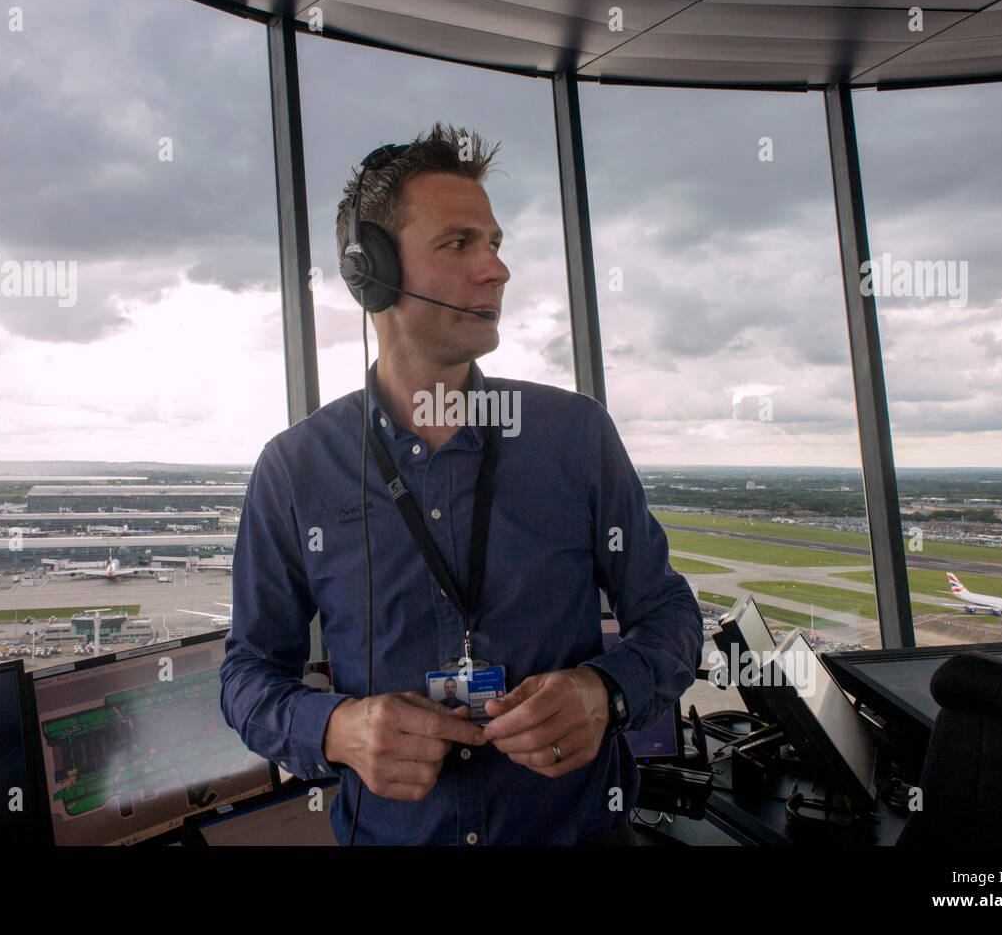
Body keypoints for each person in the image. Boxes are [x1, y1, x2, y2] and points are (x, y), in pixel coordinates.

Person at [220, 122, 702, 845]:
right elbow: (248, 676)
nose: (496, 270)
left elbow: (671, 617)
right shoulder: (295, 469)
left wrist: (605, 691)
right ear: (371, 272)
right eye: (459, 244)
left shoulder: (574, 437)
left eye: (496, 244)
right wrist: (339, 730)